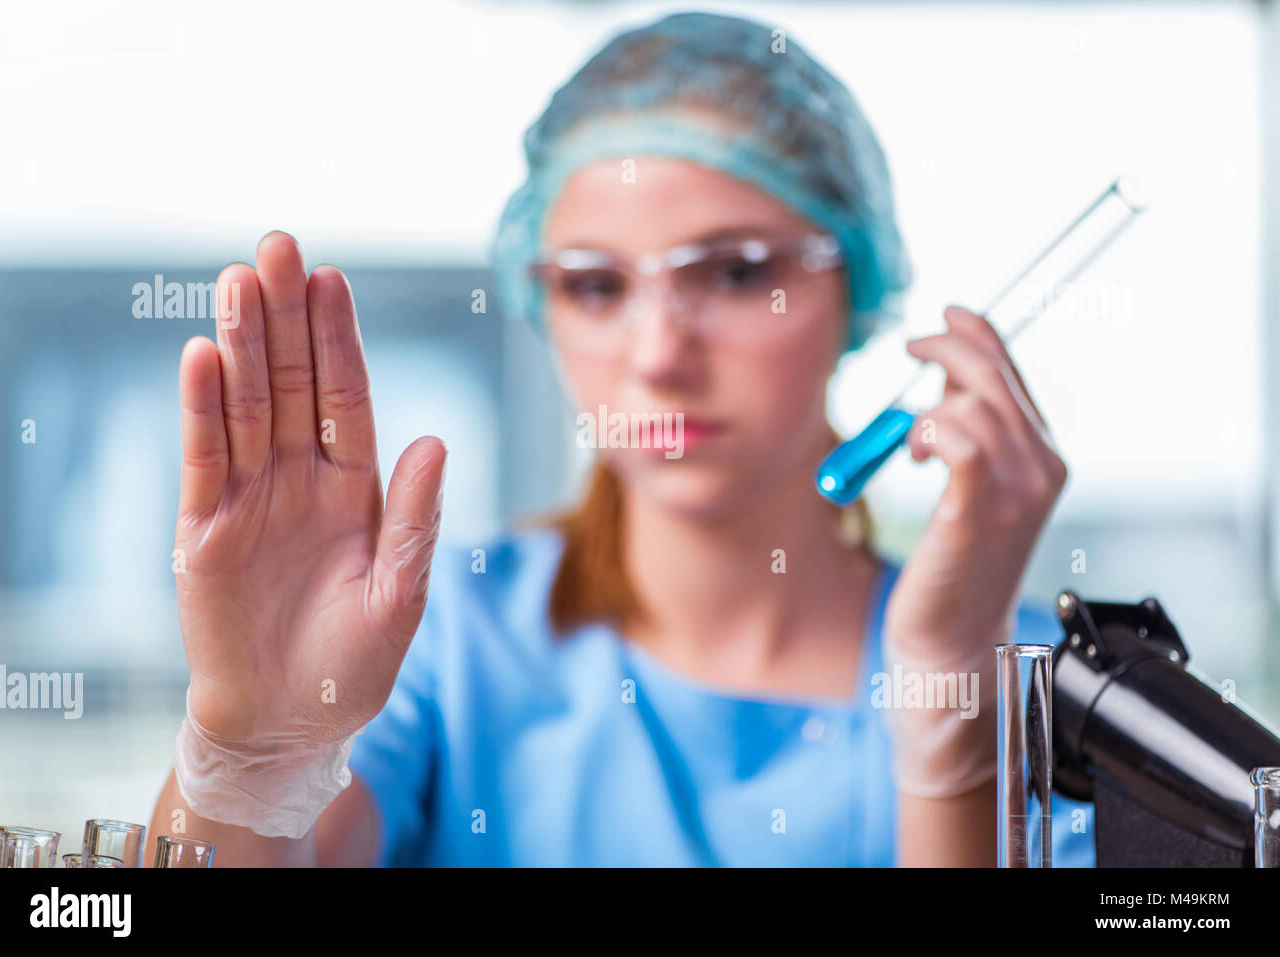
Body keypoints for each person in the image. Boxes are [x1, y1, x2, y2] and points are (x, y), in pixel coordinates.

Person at [148, 10, 1094, 866]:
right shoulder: (434, 639)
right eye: (597, 285)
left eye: (735, 272)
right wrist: (255, 748)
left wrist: (952, 708)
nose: (659, 354)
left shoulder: (1044, 686)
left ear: (857, 281)